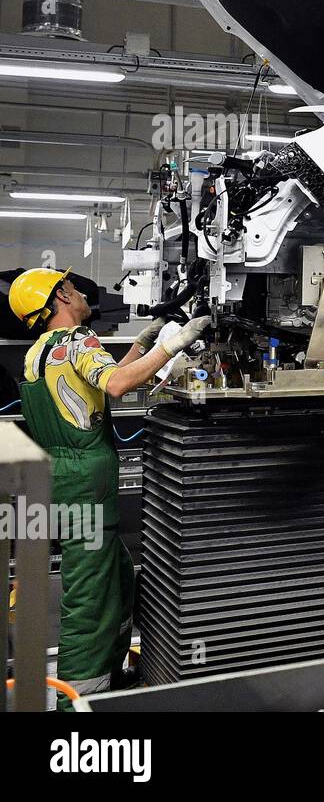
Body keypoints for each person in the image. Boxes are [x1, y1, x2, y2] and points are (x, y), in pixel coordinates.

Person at [7, 267, 210, 705]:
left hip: (60, 475)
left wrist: (145, 340)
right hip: (84, 480)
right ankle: (76, 701)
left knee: (115, 579)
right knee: (90, 598)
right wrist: (175, 343)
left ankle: (112, 678)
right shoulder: (79, 340)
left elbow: (93, 384)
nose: (81, 293)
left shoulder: (42, 350)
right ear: (60, 296)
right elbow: (116, 385)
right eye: (74, 288)